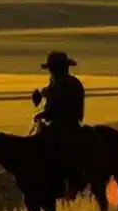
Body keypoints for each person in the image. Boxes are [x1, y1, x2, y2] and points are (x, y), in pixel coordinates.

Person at [31, 51, 87, 198]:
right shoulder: (56, 83)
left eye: (54, 68)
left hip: (68, 124)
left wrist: (46, 111)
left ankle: (72, 182)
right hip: (57, 124)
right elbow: (50, 100)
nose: (53, 71)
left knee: (61, 149)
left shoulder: (69, 84)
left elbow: (61, 106)